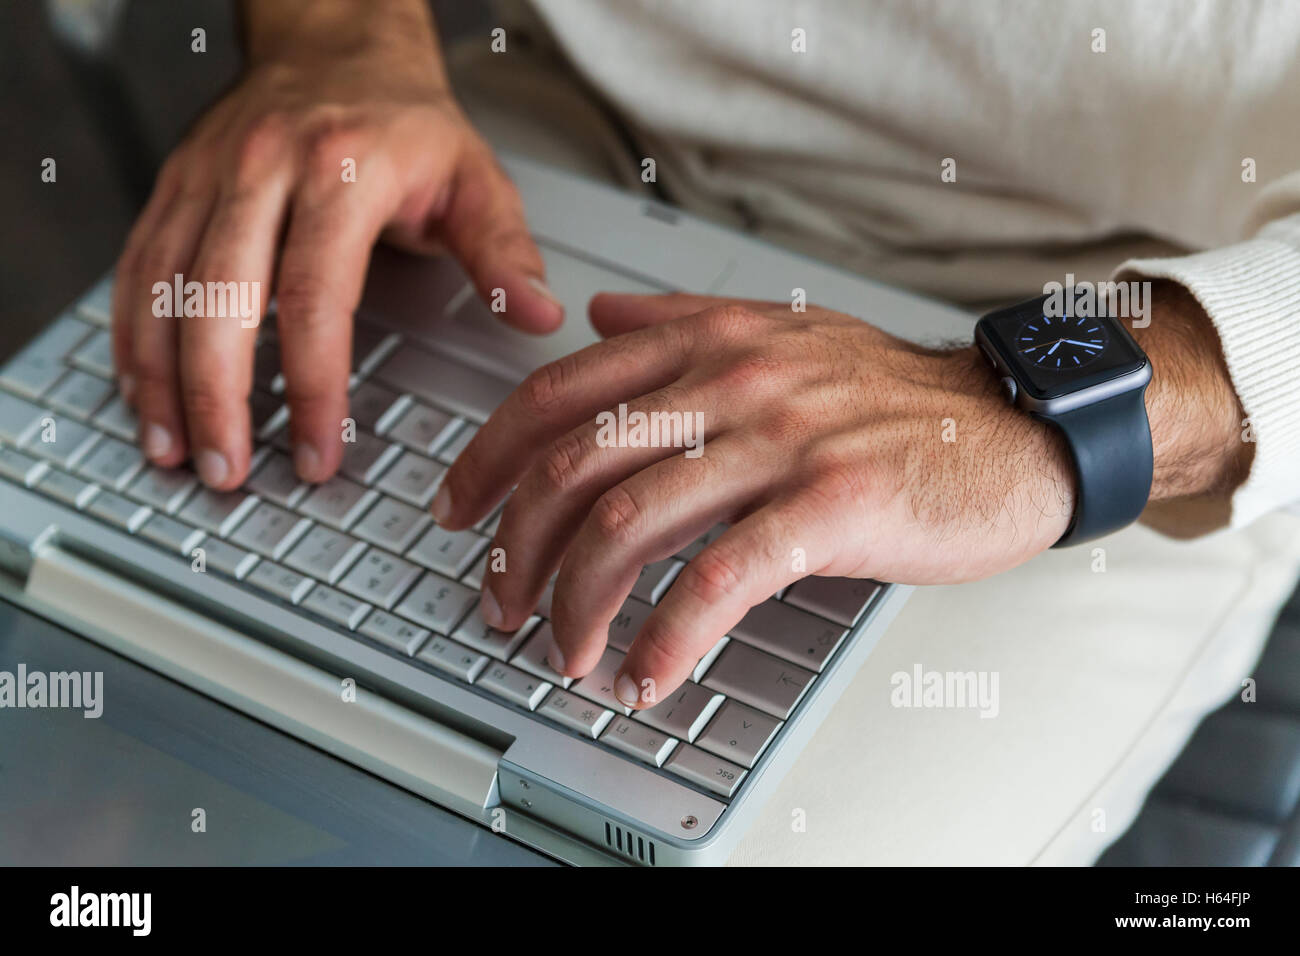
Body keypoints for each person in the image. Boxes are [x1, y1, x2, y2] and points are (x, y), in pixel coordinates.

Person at [109, 0, 1300, 715]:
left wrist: (1028, 414)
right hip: (561, 130)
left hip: (1143, 314)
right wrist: (337, 40)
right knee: (131, 619)